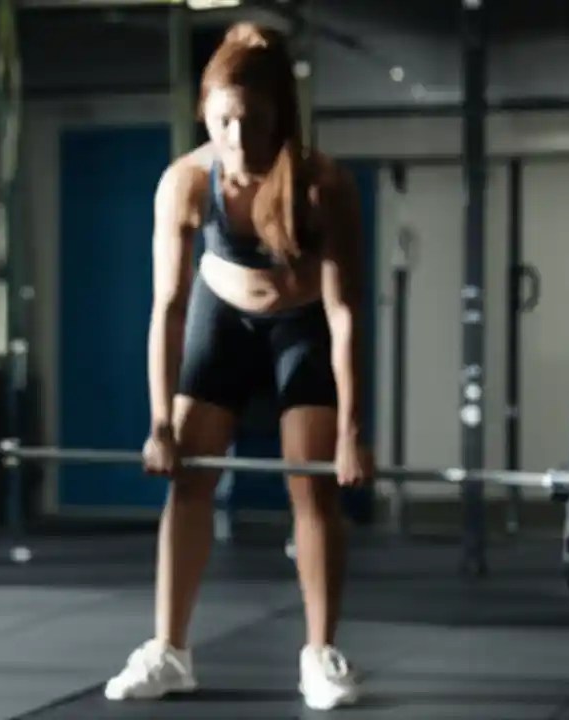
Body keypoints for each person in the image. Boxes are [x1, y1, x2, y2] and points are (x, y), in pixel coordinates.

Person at [103, 23, 374, 711]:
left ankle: (322, 655)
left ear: (282, 113)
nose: (238, 139)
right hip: (220, 321)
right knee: (188, 480)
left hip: (302, 327)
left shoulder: (323, 186)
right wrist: (160, 422)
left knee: (312, 487)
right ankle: (170, 651)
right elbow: (168, 307)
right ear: (205, 112)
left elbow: (345, 315)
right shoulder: (187, 183)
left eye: (252, 123)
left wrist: (353, 429)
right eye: (223, 120)